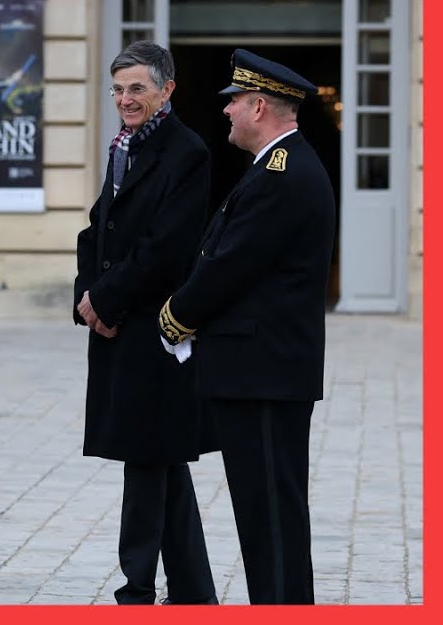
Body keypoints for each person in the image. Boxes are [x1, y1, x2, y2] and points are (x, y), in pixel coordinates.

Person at [159, 49, 334, 604]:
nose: (227, 112)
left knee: (270, 515)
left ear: (259, 105)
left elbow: (230, 264)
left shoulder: (282, 174)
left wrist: (175, 316)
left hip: (264, 373)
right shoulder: (275, 169)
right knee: (267, 513)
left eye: (234, 102)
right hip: (262, 370)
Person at [73, 41, 218, 605]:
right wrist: (86, 296)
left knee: (146, 458)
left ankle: (136, 588)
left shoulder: (187, 152)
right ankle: (194, 591)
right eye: (117, 89)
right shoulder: (121, 147)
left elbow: (166, 249)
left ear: (167, 90)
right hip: (116, 321)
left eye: (137, 88)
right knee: (160, 458)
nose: (125, 99)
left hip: (152, 327)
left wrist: (106, 302)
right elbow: (96, 229)